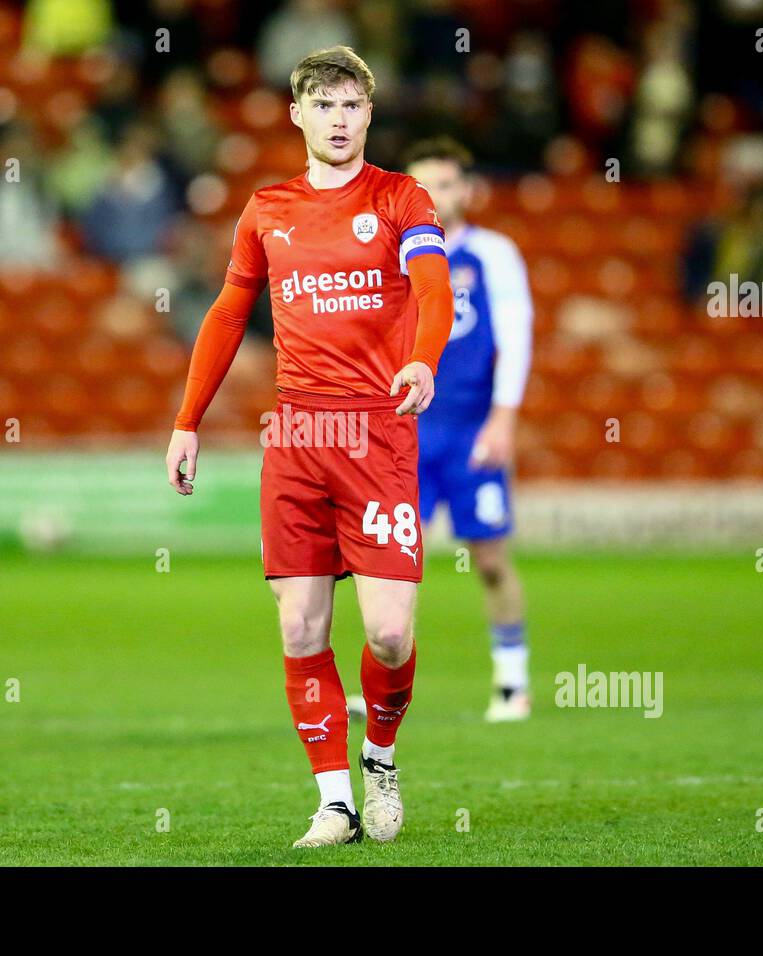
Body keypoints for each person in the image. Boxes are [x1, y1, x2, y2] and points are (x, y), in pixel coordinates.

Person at [164, 46, 454, 848]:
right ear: (297, 115)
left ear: (370, 114)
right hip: (298, 435)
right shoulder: (267, 209)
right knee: (300, 627)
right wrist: (188, 420)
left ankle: (381, 757)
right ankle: (334, 804)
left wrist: (423, 359)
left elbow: (433, 288)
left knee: (389, 633)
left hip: (378, 433)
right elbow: (229, 314)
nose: (339, 119)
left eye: (351, 105)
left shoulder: (401, 198)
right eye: (324, 105)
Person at [401, 136, 535, 721]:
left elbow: (515, 336)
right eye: (422, 184)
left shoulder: (493, 253)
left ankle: (512, 681)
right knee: (396, 567)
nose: (435, 195)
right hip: (407, 429)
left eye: (446, 183)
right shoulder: (390, 255)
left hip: (471, 430)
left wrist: (503, 418)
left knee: (491, 560)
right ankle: (385, 688)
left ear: (467, 190)